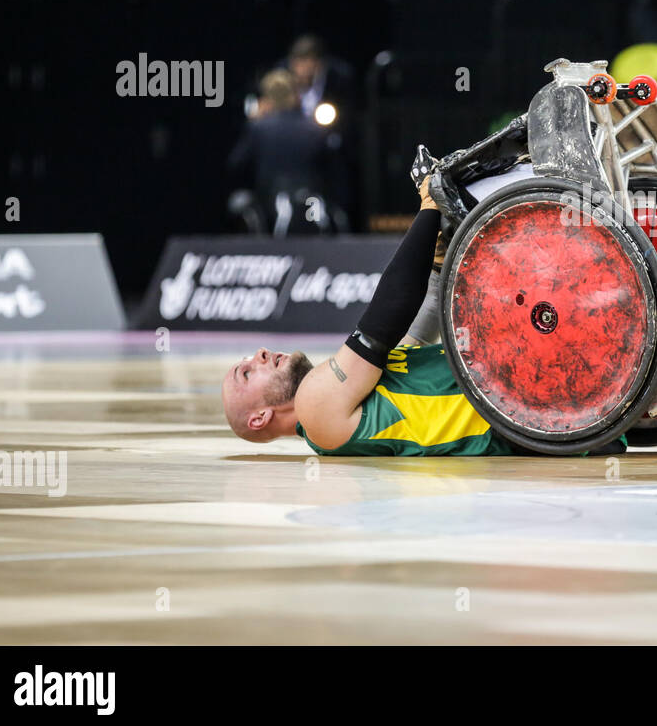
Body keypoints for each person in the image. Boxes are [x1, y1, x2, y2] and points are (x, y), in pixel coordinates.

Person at [221, 169, 624, 457]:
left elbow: (416, 316)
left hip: (546, 399)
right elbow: (386, 315)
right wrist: (429, 208)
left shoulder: (349, 397)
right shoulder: (316, 410)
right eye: (246, 373)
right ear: (259, 418)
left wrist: (435, 260)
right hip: (542, 407)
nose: (257, 355)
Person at [226, 69, 349, 234]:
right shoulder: (315, 128)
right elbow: (335, 169)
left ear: (266, 99)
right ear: (296, 95)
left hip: (270, 207)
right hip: (312, 201)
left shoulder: (258, 127)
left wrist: (254, 120)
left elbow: (236, 163)